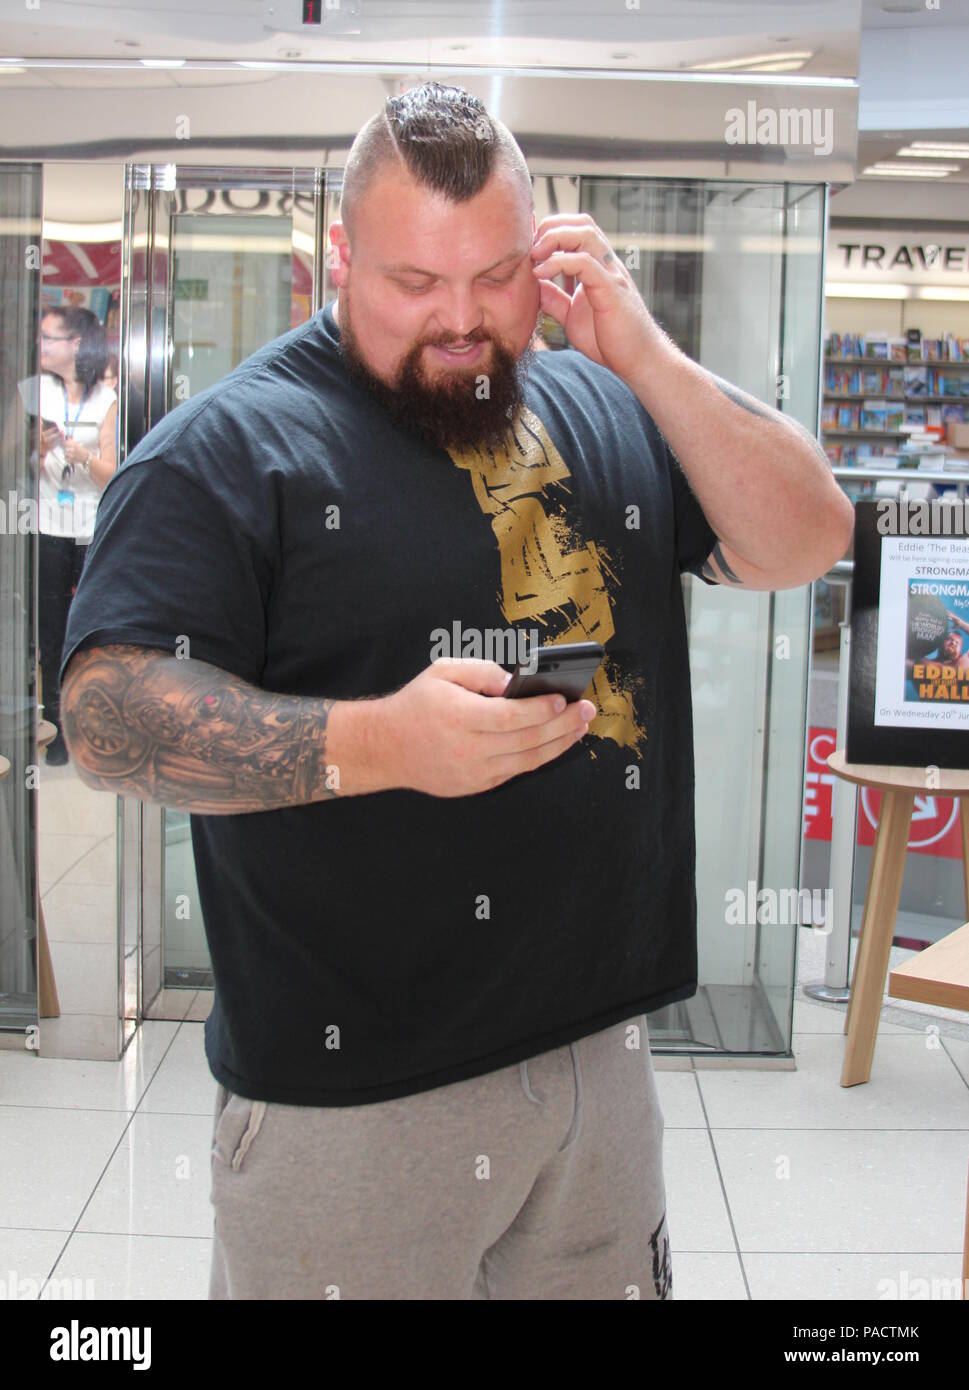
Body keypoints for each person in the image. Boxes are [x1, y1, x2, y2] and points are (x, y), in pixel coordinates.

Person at [58, 82, 853, 1300]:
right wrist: (375, 743)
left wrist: (640, 347)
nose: (461, 322)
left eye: (494, 277)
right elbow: (105, 716)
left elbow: (808, 537)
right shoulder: (234, 449)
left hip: (597, 1066)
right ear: (336, 258)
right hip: (352, 1102)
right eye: (412, 285)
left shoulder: (603, 397)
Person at [18, 306, 117, 763]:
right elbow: (8, 459)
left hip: (91, 528)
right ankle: (56, 731)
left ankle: (92, 729)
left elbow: (114, 474)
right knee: (51, 634)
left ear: (77, 344)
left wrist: (82, 455)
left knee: (93, 631)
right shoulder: (33, 391)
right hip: (46, 528)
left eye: (49, 337)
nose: (41, 345)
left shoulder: (107, 398)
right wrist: (32, 450)